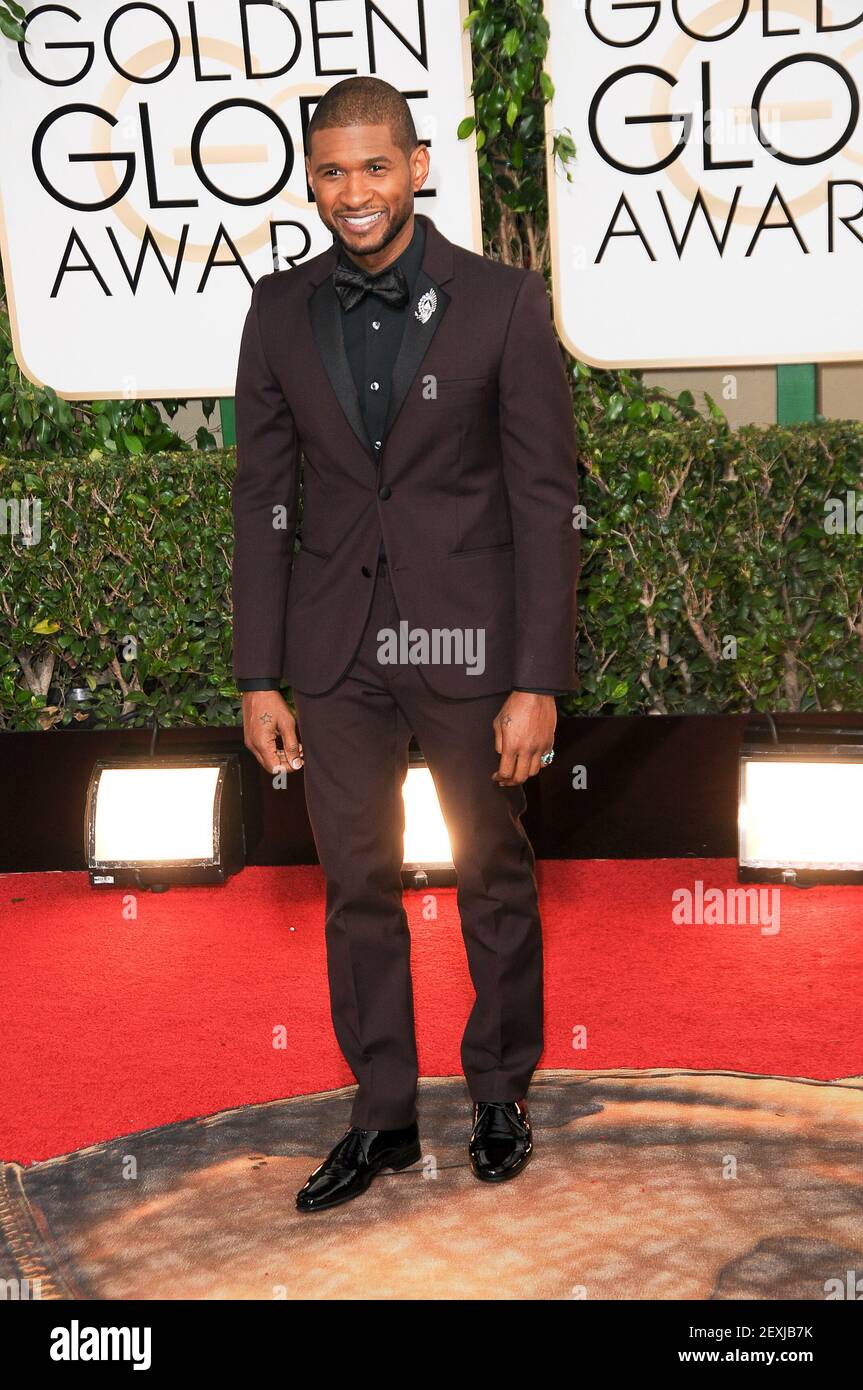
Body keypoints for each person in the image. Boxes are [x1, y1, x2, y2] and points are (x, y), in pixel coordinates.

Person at [231, 75, 580, 1212]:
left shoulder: (502, 303)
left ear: (418, 166)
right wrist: (257, 671)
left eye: (374, 167)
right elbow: (258, 499)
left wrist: (536, 678)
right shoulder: (278, 310)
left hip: (470, 651)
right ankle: (380, 1116)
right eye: (330, 171)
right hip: (333, 655)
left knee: (489, 871)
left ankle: (498, 1092)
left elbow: (541, 502)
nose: (353, 192)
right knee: (356, 887)